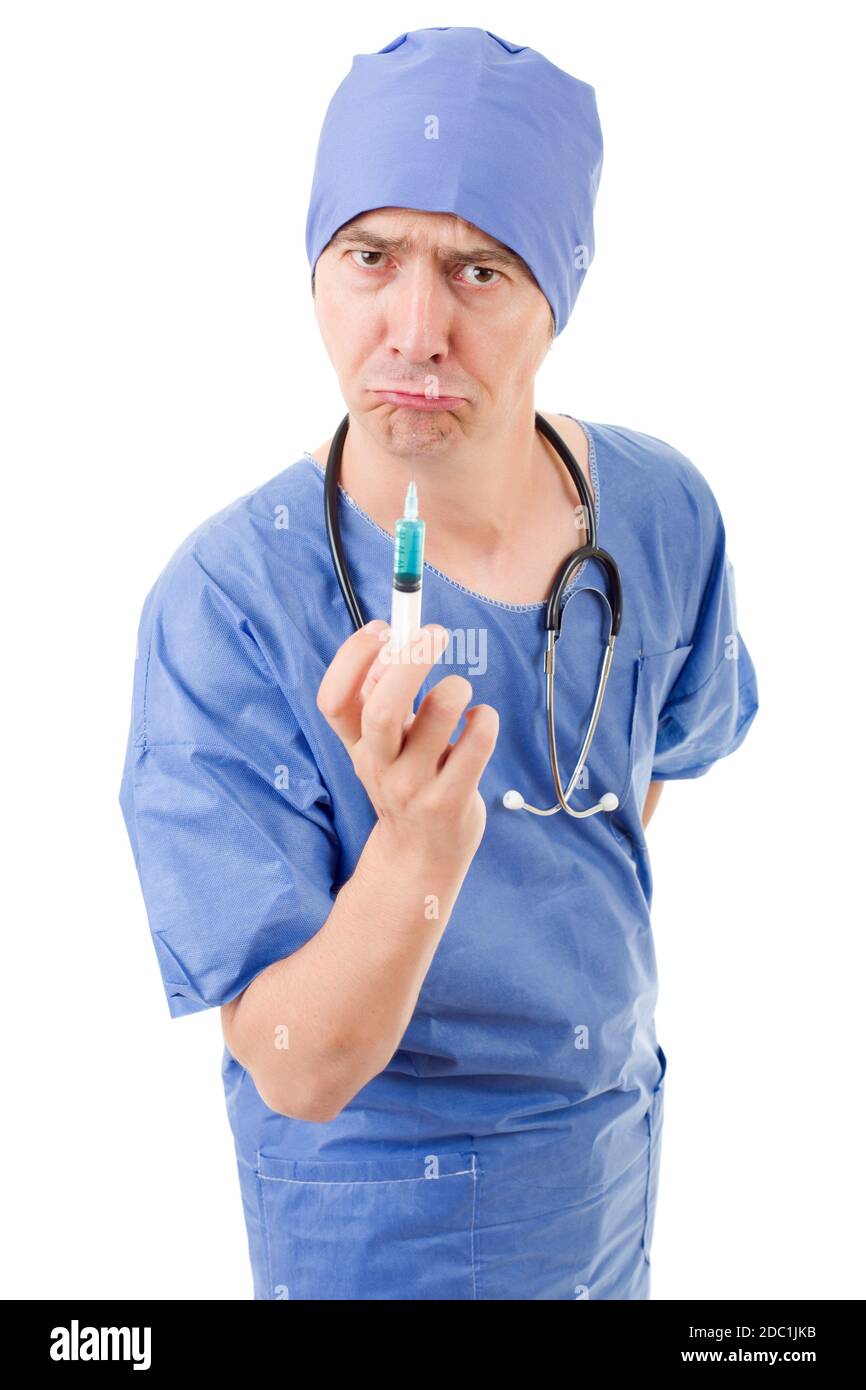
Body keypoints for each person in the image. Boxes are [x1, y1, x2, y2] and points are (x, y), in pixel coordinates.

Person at [118, 27, 759, 1300]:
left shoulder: (659, 513)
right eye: (369, 258)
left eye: (477, 270)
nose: (412, 330)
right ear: (316, 270)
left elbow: (636, 783)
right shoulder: (230, 605)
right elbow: (295, 1066)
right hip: (375, 1234)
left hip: (601, 1177)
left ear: (556, 294)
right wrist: (417, 848)